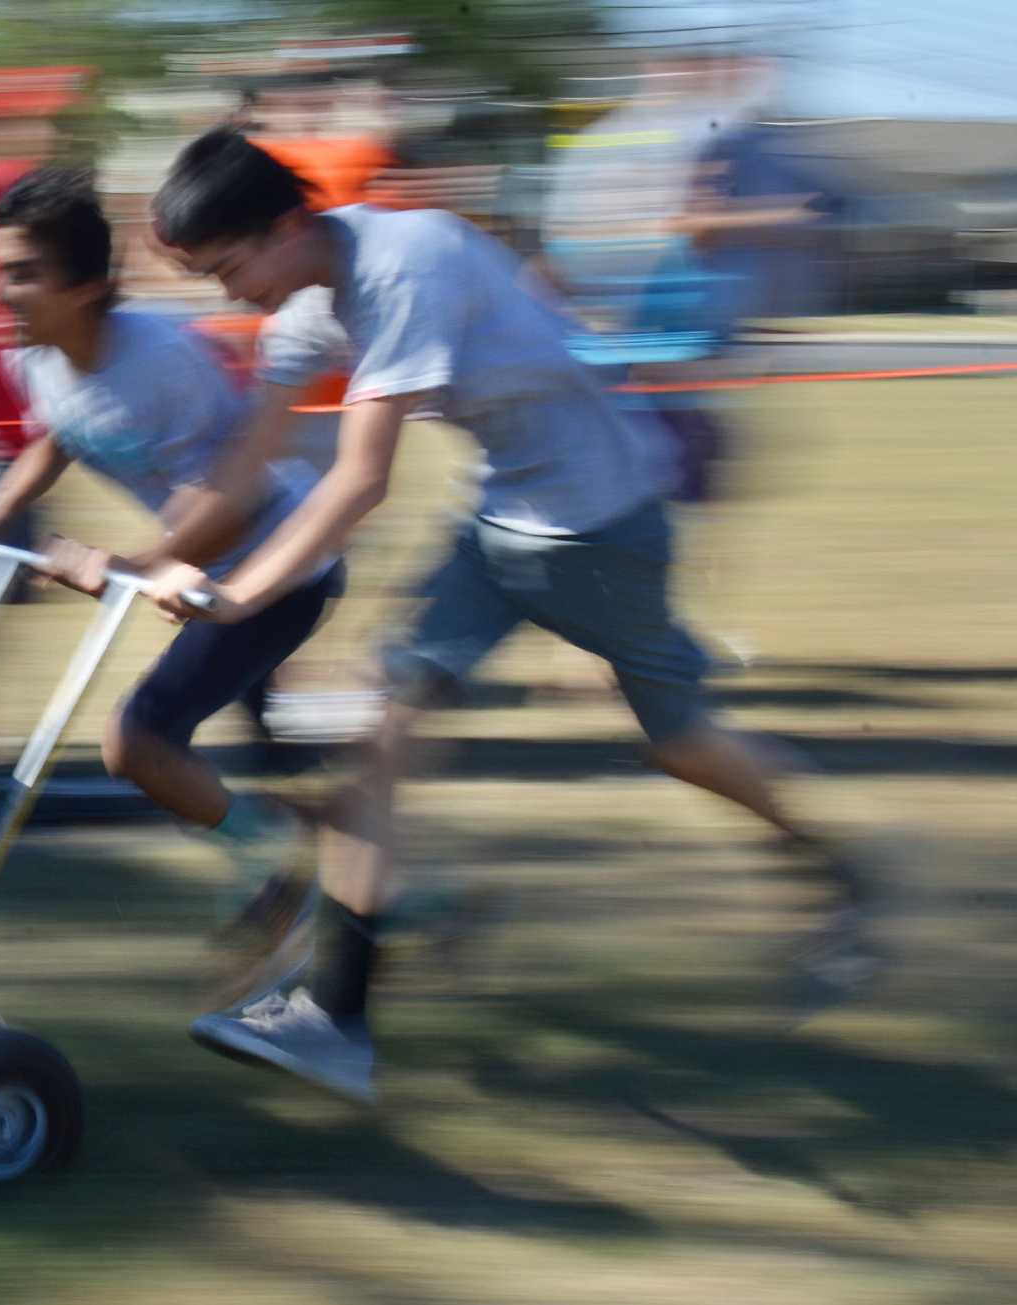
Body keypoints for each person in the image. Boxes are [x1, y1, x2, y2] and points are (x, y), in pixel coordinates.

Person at [144, 128, 876, 1103]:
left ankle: (838, 869)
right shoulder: (307, 299)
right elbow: (248, 459)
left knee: (682, 744)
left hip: (602, 524)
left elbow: (359, 480)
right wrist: (152, 560)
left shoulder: (400, 266)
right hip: (499, 519)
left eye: (229, 269)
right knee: (381, 736)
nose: (230, 295)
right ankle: (335, 1018)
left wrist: (238, 595)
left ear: (284, 226)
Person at [0, 166, 341, 996]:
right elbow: (59, 433)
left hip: (278, 567)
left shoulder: (162, 362)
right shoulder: (34, 350)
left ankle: (284, 865)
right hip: (207, 568)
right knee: (143, 743)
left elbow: (235, 493)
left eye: (21, 274)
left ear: (86, 286)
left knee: (138, 741)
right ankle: (294, 856)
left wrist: (129, 566)